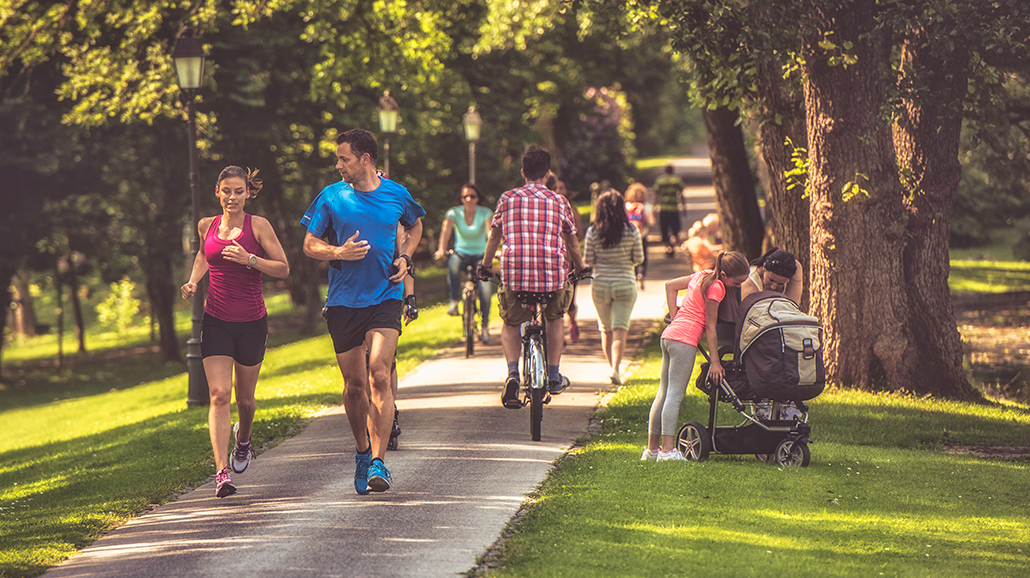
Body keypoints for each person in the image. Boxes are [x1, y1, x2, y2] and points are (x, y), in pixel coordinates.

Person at [300, 128, 425, 494]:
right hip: (343, 302)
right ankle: (361, 449)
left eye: (344, 159)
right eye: (338, 159)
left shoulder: (396, 194)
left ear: (365, 159)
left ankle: (379, 462)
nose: (339, 165)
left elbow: (415, 226)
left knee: (379, 374)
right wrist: (337, 253)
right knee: (355, 387)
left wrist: (405, 257)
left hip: (386, 295)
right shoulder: (331, 197)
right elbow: (309, 243)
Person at [180, 166, 290, 498]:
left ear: (247, 193)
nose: (232, 197)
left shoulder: (259, 226)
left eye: (238, 191)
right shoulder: (206, 226)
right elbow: (204, 255)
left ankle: (244, 440)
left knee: (245, 400)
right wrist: (193, 280)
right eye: (226, 190)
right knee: (218, 395)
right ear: (217, 192)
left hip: (252, 323)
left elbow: (284, 269)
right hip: (216, 321)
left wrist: (250, 259)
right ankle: (221, 473)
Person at [480, 145, 587, 408]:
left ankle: (513, 373)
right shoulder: (559, 201)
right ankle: (552, 374)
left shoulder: (507, 199)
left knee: (510, 322)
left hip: (515, 275)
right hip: (552, 275)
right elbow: (572, 242)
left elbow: (494, 236)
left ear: (522, 172)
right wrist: (581, 267)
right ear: (547, 173)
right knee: (554, 317)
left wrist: (484, 265)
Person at [642, 252, 749, 461]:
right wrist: (715, 363)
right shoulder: (717, 287)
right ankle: (667, 451)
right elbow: (710, 328)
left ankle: (651, 451)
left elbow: (670, 285)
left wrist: (674, 317)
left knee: (663, 394)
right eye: (736, 283)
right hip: (684, 340)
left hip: (669, 337)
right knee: (675, 395)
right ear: (725, 274)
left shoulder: (701, 275)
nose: (736, 287)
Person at [584, 190, 644, 385]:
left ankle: (611, 368)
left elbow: (589, 260)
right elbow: (639, 259)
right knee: (620, 328)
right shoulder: (632, 230)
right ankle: (616, 369)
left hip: (600, 284)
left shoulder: (593, 231)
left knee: (606, 329)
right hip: (625, 283)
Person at [434, 183, 494, 343]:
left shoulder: (486, 213)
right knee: (453, 265)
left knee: (486, 289)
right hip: (461, 252)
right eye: (465, 196)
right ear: (461, 199)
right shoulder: (453, 213)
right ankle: (454, 302)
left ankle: (485, 325)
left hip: (481, 255)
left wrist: (495, 249)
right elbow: (445, 231)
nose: (468, 199)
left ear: (477, 198)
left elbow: (490, 233)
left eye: (472, 196)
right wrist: (441, 249)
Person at [547, 175, 585, 343]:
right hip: (551, 262)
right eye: (556, 188)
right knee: (552, 301)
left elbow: (580, 236)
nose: (559, 191)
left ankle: (572, 322)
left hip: (569, 262)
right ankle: (557, 333)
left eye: (562, 188)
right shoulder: (547, 210)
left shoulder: (573, 211)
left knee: (569, 300)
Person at [624, 182, 654, 289]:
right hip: (642, 234)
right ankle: (642, 273)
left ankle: (633, 275)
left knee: (631, 255)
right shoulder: (647, 207)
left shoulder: (626, 206)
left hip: (629, 235)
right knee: (643, 255)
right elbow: (651, 222)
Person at [653, 164, 684, 258]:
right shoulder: (677, 180)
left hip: (664, 208)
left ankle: (667, 247)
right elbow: (681, 194)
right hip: (674, 208)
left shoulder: (660, 181)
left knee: (664, 228)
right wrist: (684, 206)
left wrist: (655, 206)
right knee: (675, 228)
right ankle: (673, 244)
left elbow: (656, 195)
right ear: (672, 171)